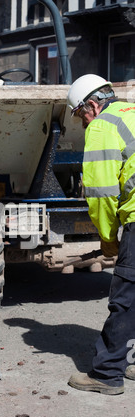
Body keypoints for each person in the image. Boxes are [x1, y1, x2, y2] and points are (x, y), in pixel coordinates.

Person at [66, 73, 135, 395]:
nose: (82, 123)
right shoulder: (133, 113)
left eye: (81, 115)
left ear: (92, 104)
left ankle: (107, 374)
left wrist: (108, 239)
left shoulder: (103, 126)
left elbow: (101, 192)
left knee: (126, 297)